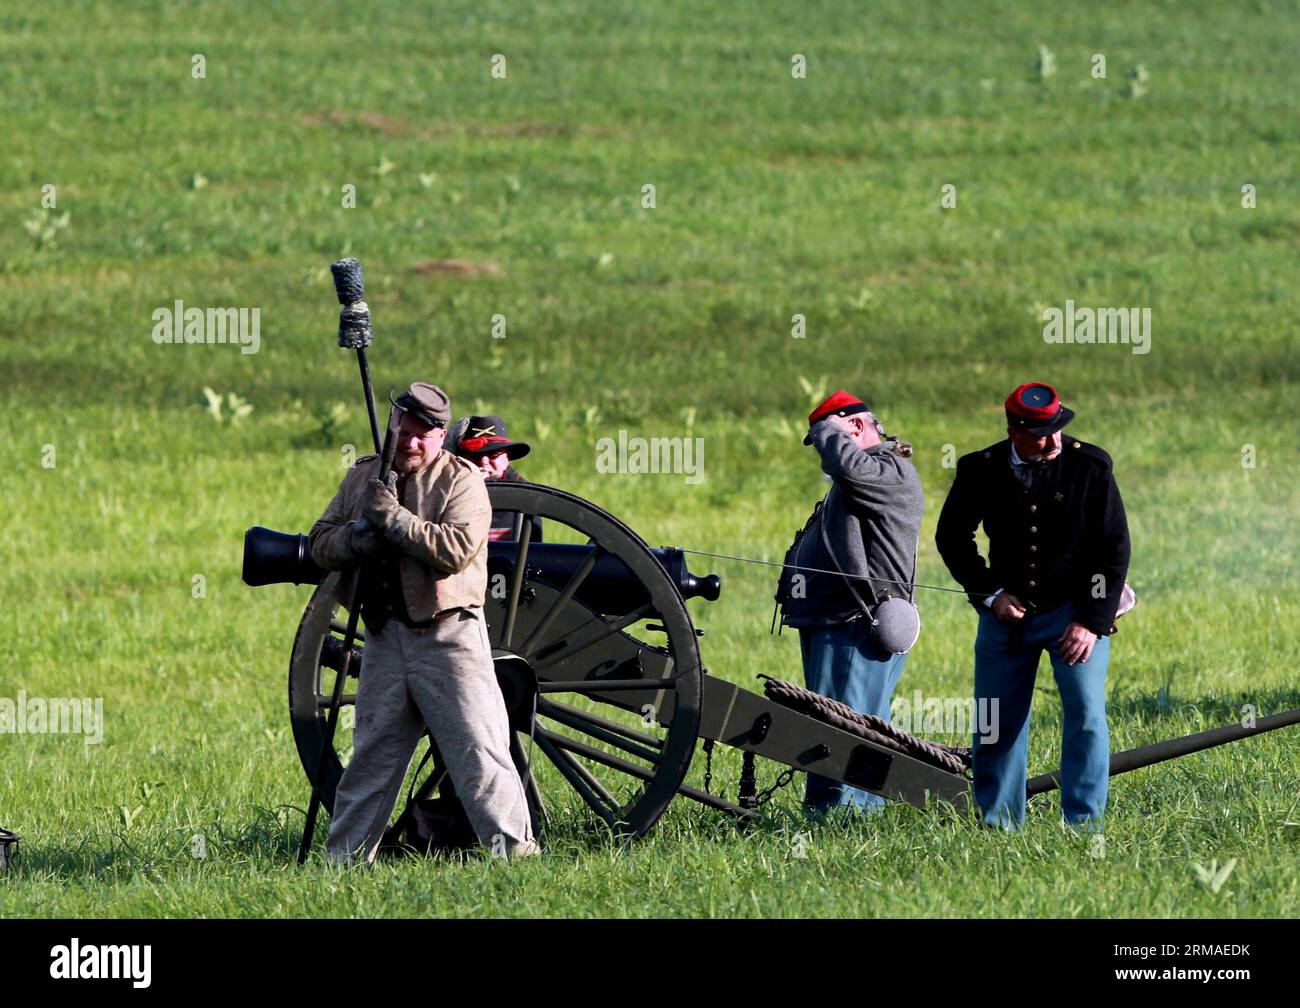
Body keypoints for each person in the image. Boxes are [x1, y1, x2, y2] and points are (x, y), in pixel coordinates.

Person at [308, 382, 538, 862]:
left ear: (439, 437)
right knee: (371, 761)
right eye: (405, 432)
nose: (411, 443)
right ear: (393, 428)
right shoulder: (363, 478)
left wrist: (391, 519)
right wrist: (357, 539)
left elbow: (454, 550)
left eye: (423, 435)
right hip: (384, 637)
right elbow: (320, 542)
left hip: (449, 637)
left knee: (481, 754)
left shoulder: (462, 481)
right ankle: (343, 865)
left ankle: (515, 857)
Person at [935, 382, 1130, 830]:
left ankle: (1084, 825)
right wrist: (989, 594)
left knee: (1085, 715)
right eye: (1041, 433)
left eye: (1057, 429)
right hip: (1008, 616)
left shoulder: (1090, 465)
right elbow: (951, 538)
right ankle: (998, 824)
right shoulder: (979, 469)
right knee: (994, 723)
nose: (1053, 440)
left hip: (1074, 612)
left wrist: (1090, 621)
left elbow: (1113, 547)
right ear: (1012, 431)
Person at [779, 391, 924, 813]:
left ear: (856, 427)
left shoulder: (888, 471)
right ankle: (835, 811)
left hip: (856, 624)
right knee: (833, 721)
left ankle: (847, 816)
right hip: (835, 621)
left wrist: (830, 432)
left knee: (845, 727)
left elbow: (846, 463)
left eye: (827, 437)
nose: (823, 452)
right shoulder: (868, 472)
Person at [450, 414, 542, 541]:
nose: (484, 461)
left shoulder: (528, 498)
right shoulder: (447, 489)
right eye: (476, 455)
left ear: (507, 457)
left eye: (494, 453)